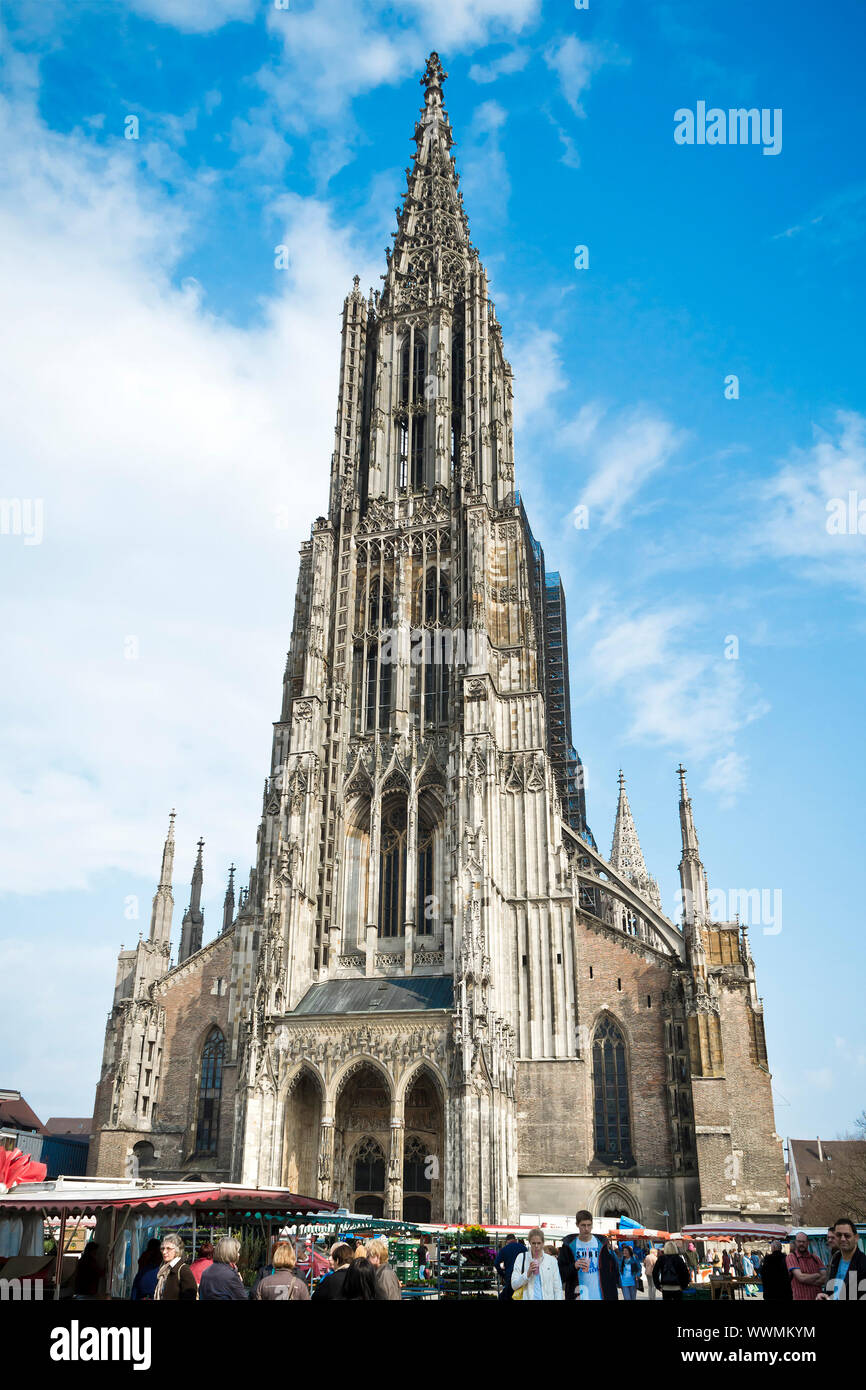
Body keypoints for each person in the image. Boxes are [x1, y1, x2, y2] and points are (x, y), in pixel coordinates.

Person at [559, 1211, 620, 1302]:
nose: (586, 1229)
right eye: (583, 1225)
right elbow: (561, 1273)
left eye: (589, 1225)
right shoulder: (569, 1245)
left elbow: (612, 1269)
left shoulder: (602, 1243)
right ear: (577, 1225)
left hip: (600, 1295)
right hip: (578, 1295)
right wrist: (574, 1266)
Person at [818, 1218, 866, 1301]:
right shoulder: (835, 1258)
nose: (843, 1239)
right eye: (839, 1235)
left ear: (856, 1238)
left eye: (847, 1235)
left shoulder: (863, 1263)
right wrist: (824, 1296)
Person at [511, 1227, 564, 1301]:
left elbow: (557, 1287)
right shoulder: (521, 1258)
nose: (536, 1246)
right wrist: (527, 1273)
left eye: (539, 1243)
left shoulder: (551, 1261)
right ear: (529, 1242)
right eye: (533, 1243)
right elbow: (514, 1285)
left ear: (543, 1243)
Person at [198, 1236, 247, 1301]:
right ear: (231, 1253)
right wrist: (239, 1282)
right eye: (237, 1252)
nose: (238, 1255)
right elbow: (242, 1297)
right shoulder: (231, 1275)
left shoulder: (206, 1272)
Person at [154, 1235, 198, 1301]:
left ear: (177, 1250)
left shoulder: (183, 1270)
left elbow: (190, 1295)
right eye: (162, 1248)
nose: (164, 1252)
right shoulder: (164, 1269)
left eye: (168, 1248)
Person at [786, 1231, 825, 1301]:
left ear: (808, 1243)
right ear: (795, 1242)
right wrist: (817, 1275)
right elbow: (801, 1277)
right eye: (799, 1241)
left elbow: (824, 1278)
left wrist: (806, 1279)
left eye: (804, 1242)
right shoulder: (791, 1257)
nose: (801, 1244)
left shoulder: (815, 1258)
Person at [494, 1233, 525, 1301]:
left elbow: (496, 1263)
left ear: (507, 1241)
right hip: (522, 1276)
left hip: (509, 1276)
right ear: (515, 1240)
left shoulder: (504, 1249)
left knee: (507, 1296)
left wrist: (503, 1274)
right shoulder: (523, 1248)